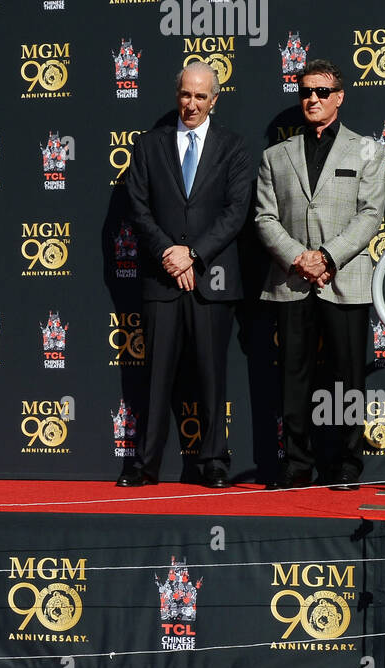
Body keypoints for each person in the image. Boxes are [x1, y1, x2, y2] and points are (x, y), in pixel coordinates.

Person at [118, 63, 251, 489]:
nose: (191, 104)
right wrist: (168, 255)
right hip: (162, 278)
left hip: (212, 280)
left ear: (214, 99)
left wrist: (192, 255)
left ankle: (213, 461)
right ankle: (145, 463)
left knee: (212, 375)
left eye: (200, 97)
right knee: (155, 376)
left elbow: (236, 212)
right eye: (185, 95)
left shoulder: (233, 147)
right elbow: (137, 207)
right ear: (177, 95)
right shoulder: (149, 145)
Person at [255, 58, 385, 488]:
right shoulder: (276, 156)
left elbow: (370, 216)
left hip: (344, 279)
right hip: (291, 281)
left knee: (348, 375)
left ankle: (346, 463)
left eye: (322, 92)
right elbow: (264, 218)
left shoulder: (368, 150)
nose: (313, 98)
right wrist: (300, 258)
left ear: (339, 97)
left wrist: (327, 257)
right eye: (306, 92)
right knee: (293, 375)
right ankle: (296, 463)